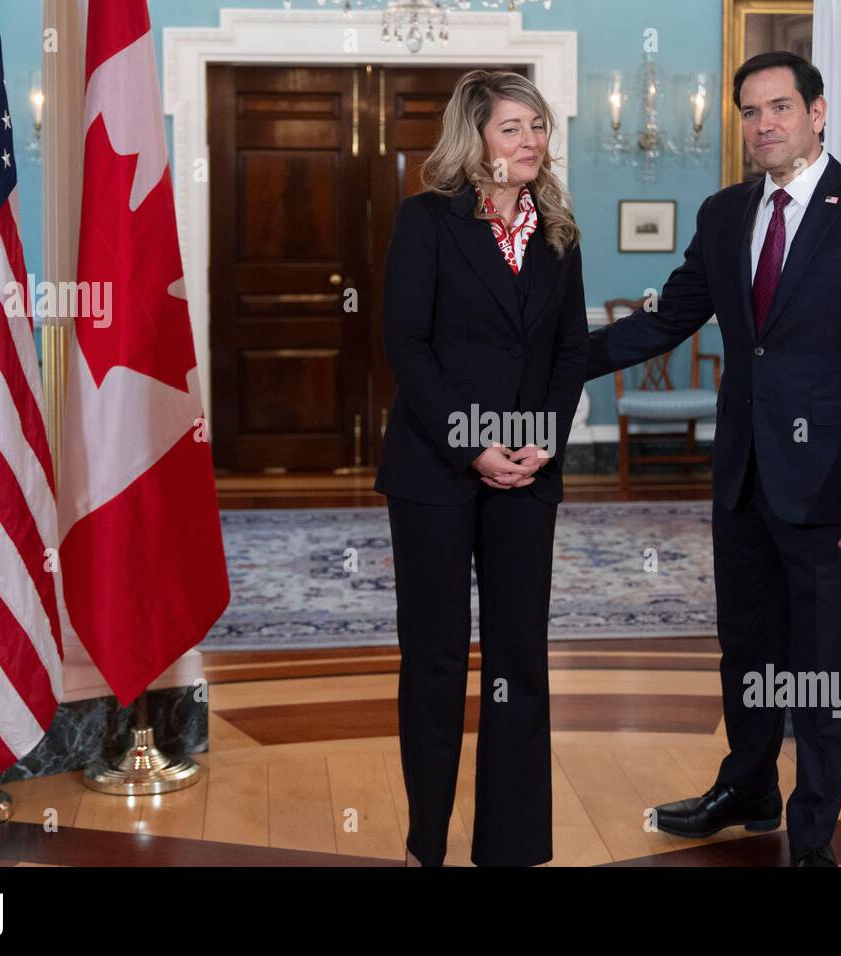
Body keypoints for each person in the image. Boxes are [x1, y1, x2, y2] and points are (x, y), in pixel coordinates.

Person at [585, 51, 841, 866]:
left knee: (816, 666)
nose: (763, 124)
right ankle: (747, 789)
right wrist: (553, 357)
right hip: (743, 474)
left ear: (817, 112)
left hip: (834, 485)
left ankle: (813, 835)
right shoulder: (723, 212)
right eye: (749, 111)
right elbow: (666, 320)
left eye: (779, 107)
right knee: (745, 648)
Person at [374, 70, 588, 867]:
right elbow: (406, 342)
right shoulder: (427, 220)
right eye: (512, 128)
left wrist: (543, 439)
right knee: (433, 659)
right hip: (435, 469)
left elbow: (571, 350)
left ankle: (512, 847)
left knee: (518, 659)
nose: (531, 140)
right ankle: (426, 844)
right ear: (476, 140)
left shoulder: (559, 232)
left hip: (529, 471)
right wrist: (473, 444)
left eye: (537, 126)